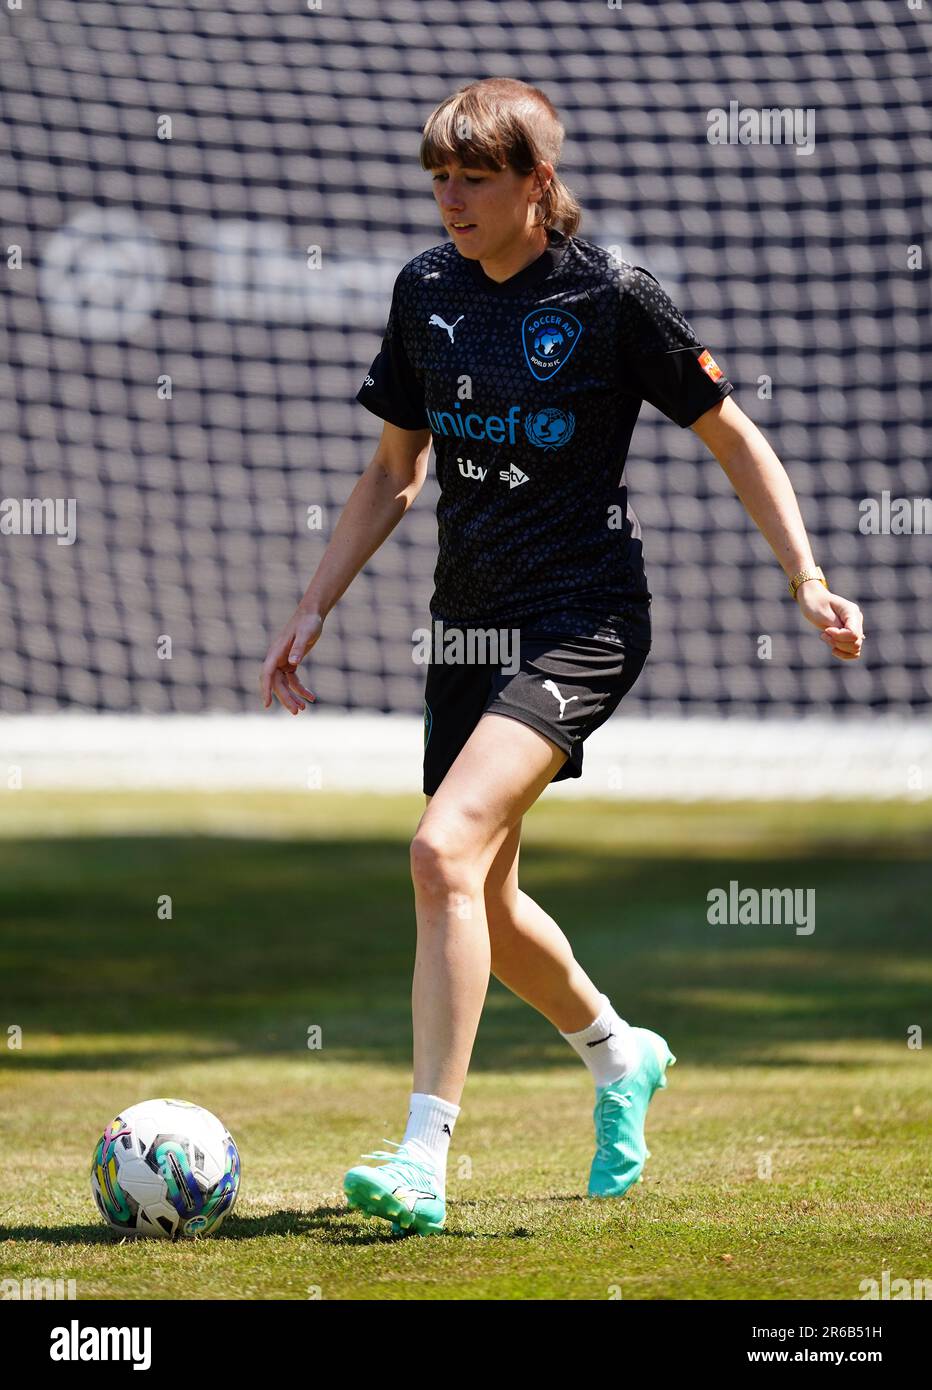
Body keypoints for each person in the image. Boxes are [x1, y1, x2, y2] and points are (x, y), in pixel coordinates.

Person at [260, 77, 864, 1237]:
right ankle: (618, 1052)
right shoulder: (423, 289)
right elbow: (395, 470)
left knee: (438, 850)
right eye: (438, 178)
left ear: (538, 182)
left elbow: (735, 441)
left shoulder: (610, 297)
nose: (449, 200)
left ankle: (423, 1160)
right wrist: (313, 606)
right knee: (478, 884)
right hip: (464, 628)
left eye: (473, 179)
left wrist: (805, 580)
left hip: (583, 620)